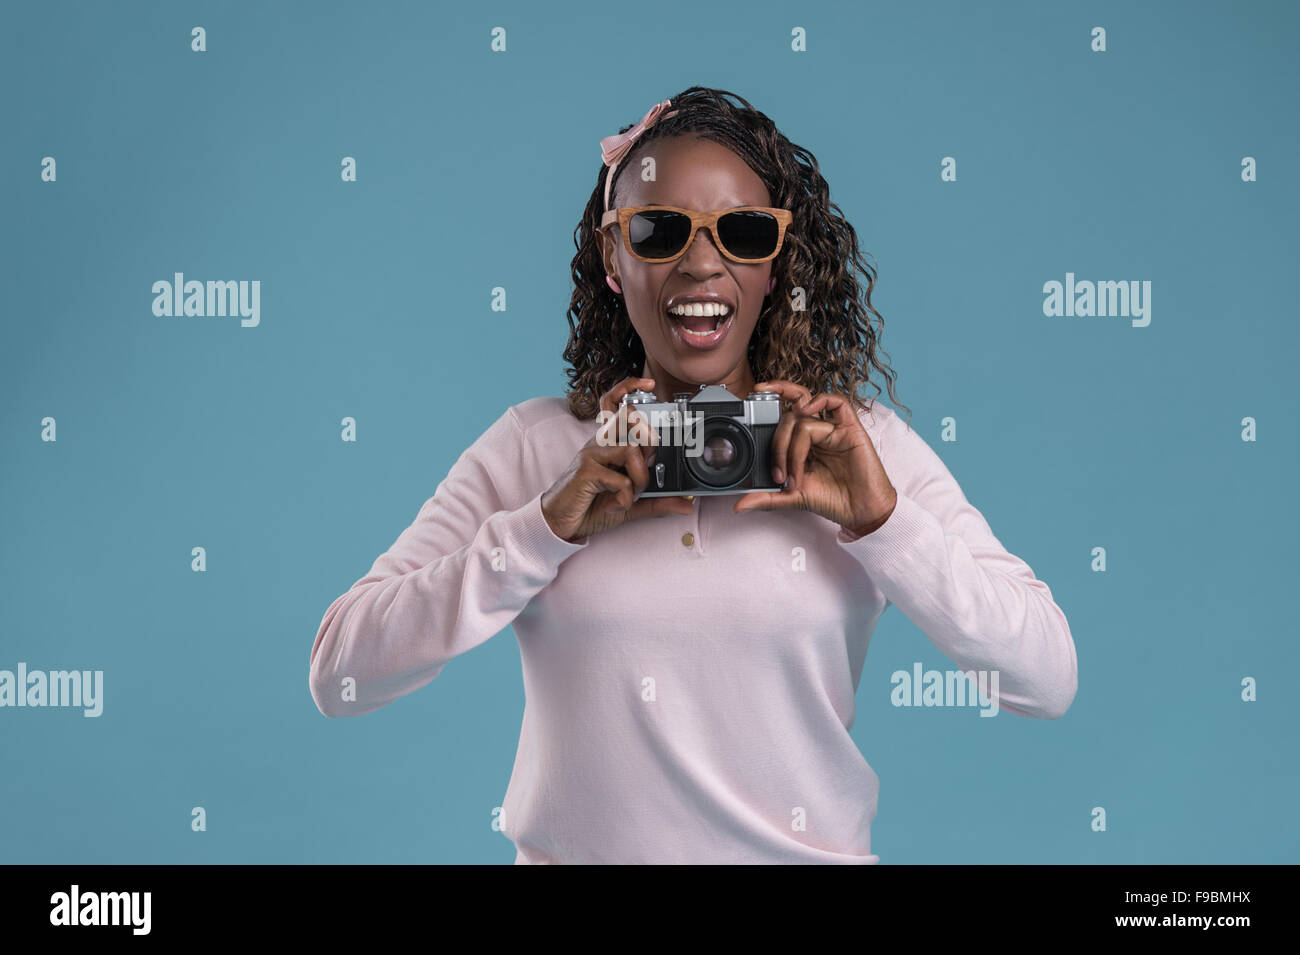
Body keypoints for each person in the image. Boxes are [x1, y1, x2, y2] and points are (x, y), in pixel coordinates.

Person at [308, 86, 1078, 864]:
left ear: (776, 263)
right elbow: (342, 671)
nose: (702, 263)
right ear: (613, 256)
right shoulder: (539, 447)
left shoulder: (855, 447)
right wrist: (543, 530)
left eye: (742, 233)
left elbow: (1046, 679)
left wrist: (885, 523)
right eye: (658, 230)